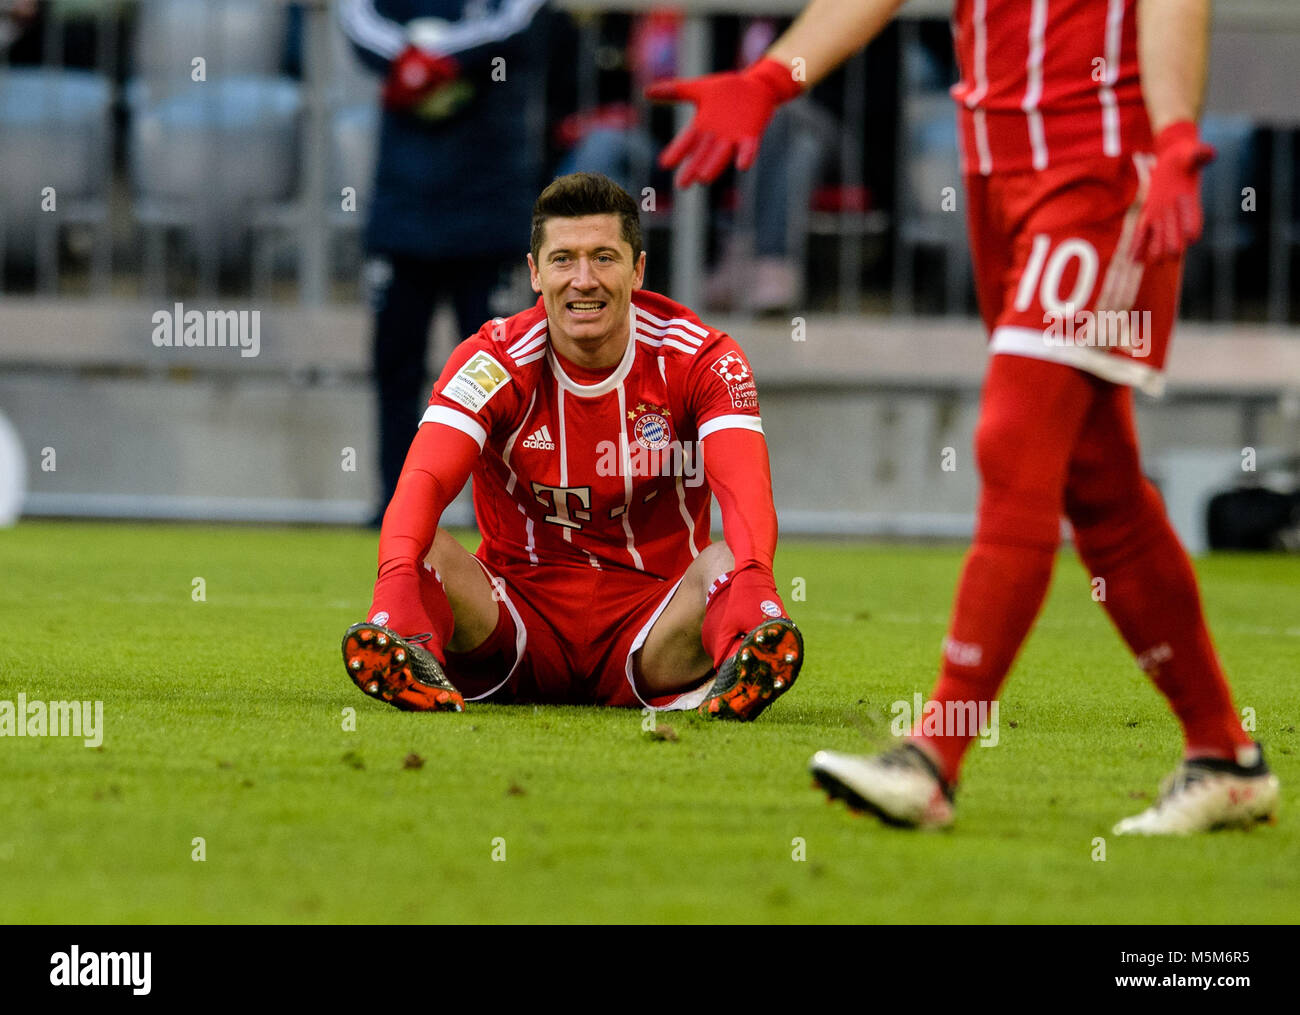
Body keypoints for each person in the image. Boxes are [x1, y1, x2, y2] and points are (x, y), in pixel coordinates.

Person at [649, 0, 1280, 833]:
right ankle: (1223, 755)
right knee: (1099, 484)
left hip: (1099, 170)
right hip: (997, 179)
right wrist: (774, 76)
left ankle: (932, 756)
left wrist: (1170, 138)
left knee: (1012, 442)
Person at [340, 173, 804, 720]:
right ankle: (409, 649)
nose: (584, 280)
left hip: (656, 628)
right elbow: (425, 481)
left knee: (727, 561)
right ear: (535, 273)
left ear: (638, 270)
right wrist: (395, 584)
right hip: (512, 625)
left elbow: (742, 486)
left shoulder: (704, 358)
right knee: (425, 545)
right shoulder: (491, 360)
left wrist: (754, 581)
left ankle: (745, 653)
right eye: (563, 260)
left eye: (604, 257)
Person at [338, 0, 548, 524]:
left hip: (488, 199)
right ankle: (396, 505)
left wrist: (429, 53)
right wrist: (414, 55)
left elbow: (522, 21)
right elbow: (357, 20)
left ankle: (501, 512)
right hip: (403, 201)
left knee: (501, 372)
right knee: (395, 363)